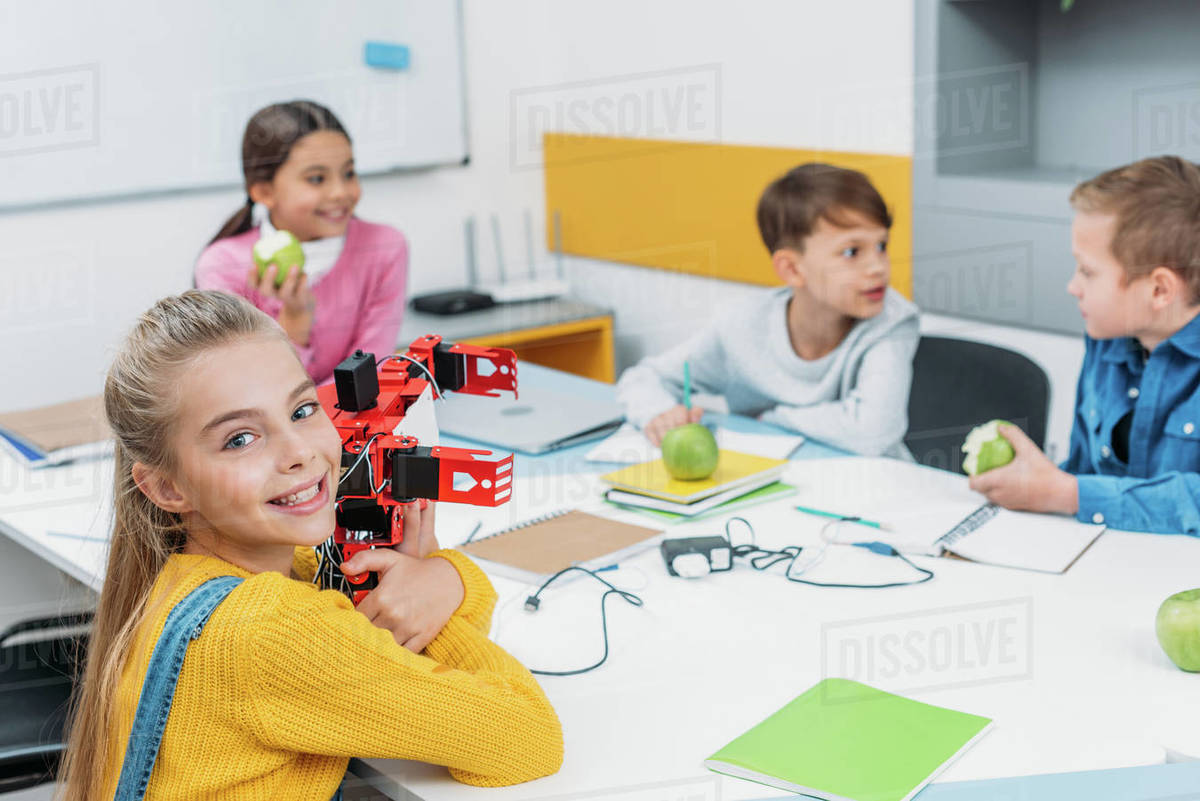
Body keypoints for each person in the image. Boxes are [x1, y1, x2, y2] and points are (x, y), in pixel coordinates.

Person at [57, 290, 562, 801]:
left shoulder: (210, 576)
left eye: (302, 409)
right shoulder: (275, 629)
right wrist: (442, 575)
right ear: (168, 488)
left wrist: (425, 583)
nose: (299, 452)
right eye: (240, 439)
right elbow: (526, 738)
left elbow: (393, 644)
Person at [616, 163, 919, 457]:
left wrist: (773, 418)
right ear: (791, 269)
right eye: (852, 252)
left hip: (878, 490)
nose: (878, 267)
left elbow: (874, 431)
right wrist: (658, 414)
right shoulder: (743, 325)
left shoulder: (891, 321)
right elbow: (645, 377)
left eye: (882, 246)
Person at [970, 156, 1200, 536]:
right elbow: (1082, 468)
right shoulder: (1104, 341)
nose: (1072, 286)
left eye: (1088, 271)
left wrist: (1068, 494)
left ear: (1159, 290)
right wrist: (1042, 483)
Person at [195, 100, 407, 384]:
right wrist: (294, 322)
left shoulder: (385, 247)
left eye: (348, 173)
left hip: (355, 423)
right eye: (317, 178)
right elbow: (253, 389)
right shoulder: (223, 265)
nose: (340, 192)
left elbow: (371, 371)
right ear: (264, 191)